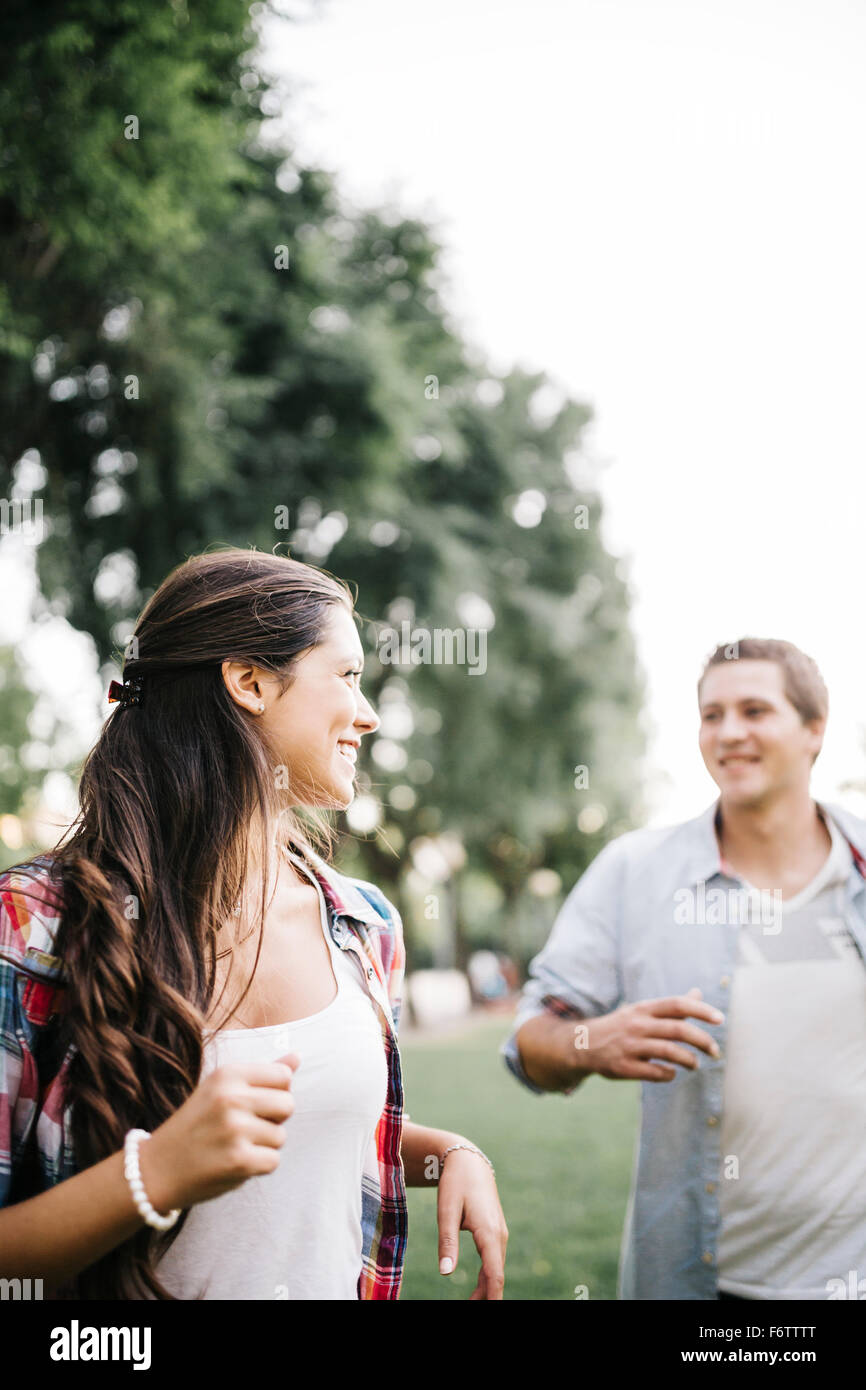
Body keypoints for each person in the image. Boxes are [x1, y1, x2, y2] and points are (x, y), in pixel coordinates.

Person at [0, 547, 508, 1300]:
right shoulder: (33, 922)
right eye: (348, 676)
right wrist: (157, 1173)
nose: (367, 715)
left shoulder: (365, 926)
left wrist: (446, 1152)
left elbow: (310, 1137)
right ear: (250, 682)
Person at [502, 637, 866, 1300]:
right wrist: (590, 1042)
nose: (729, 734)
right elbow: (529, 1047)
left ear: (816, 729)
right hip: (702, 1284)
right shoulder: (634, 872)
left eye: (755, 711)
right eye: (712, 715)